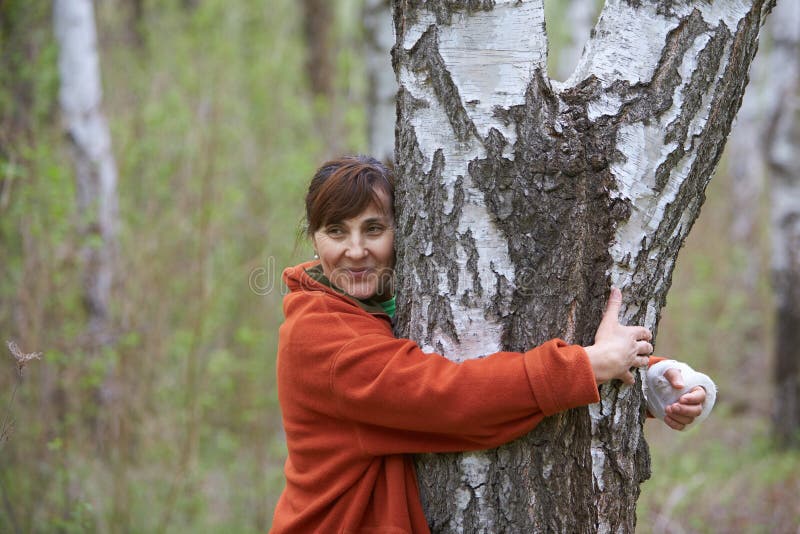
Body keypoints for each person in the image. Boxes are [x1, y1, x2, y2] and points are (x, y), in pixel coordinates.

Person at [270, 156, 714, 533]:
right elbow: (448, 396)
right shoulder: (319, 336)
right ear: (313, 237)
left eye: (373, 229)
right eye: (336, 231)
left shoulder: (381, 306)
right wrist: (583, 366)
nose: (355, 250)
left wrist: (651, 377)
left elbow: (446, 363)